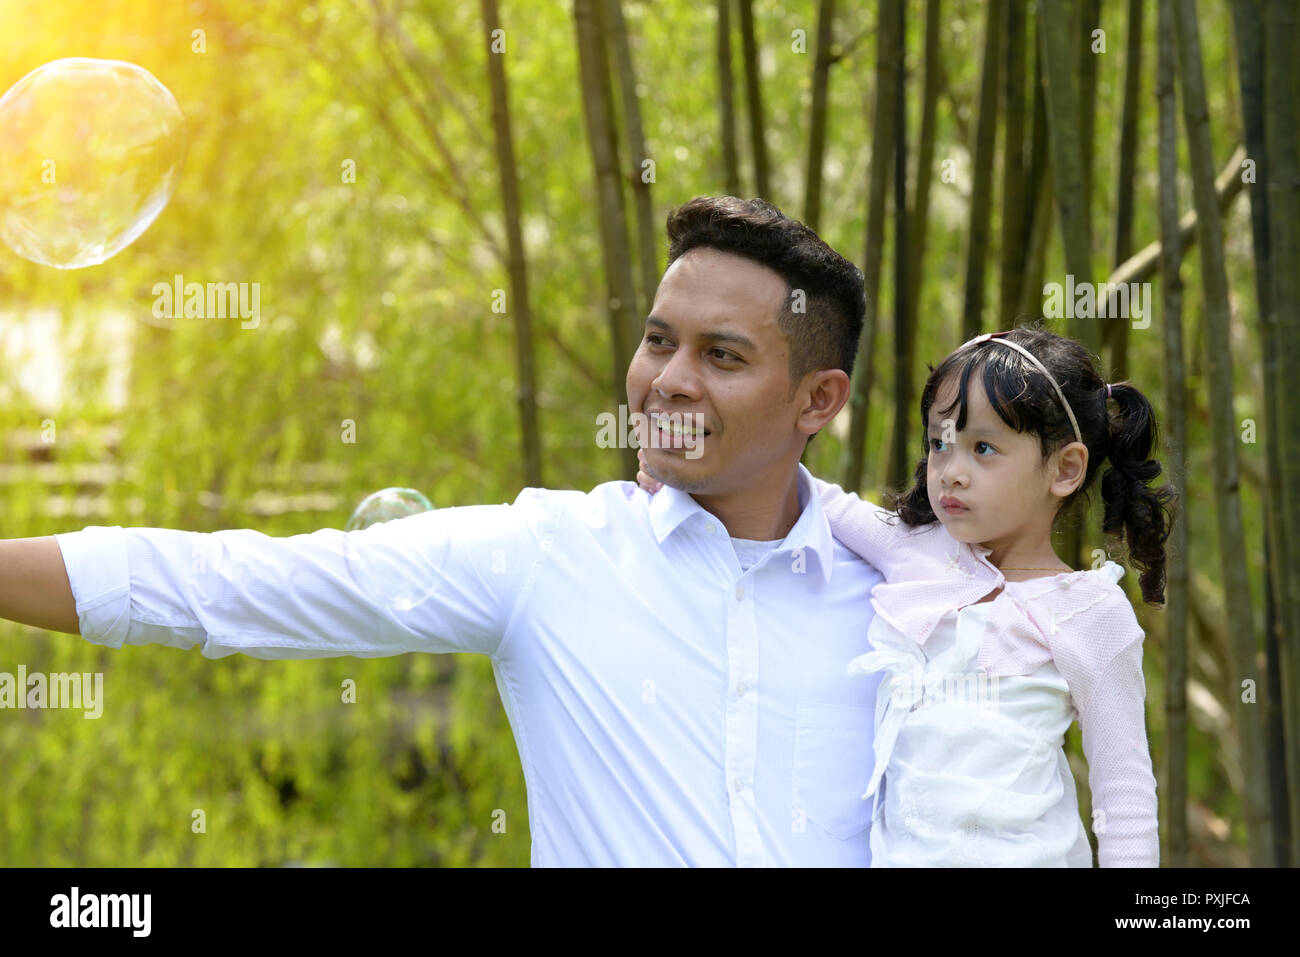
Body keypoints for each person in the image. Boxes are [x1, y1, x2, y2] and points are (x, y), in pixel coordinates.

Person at [0, 196, 890, 867]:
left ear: (819, 399)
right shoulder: (551, 556)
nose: (670, 381)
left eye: (721, 355)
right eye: (659, 343)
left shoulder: (908, 593)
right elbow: (226, 581)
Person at [639, 325, 1171, 866]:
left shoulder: (1090, 613)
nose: (950, 473)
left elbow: (1123, 798)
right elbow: (808, 494)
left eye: (983, 448)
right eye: (940, 444)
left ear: (1065, 468)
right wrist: (699, 467)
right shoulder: (912, 551)